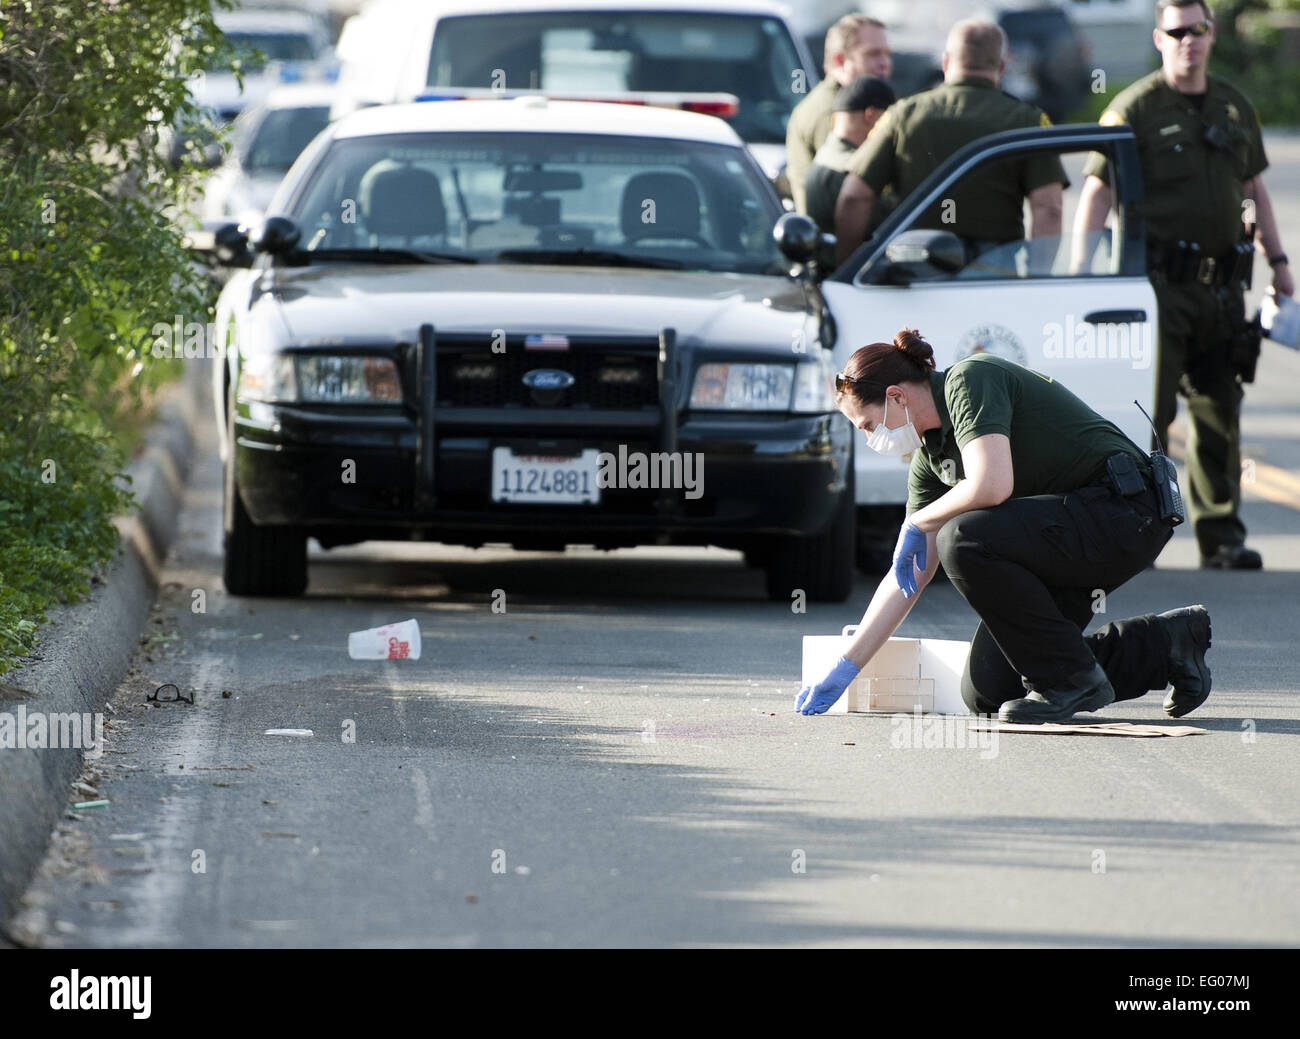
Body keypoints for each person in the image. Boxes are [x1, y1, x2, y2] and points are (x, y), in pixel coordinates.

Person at [795, 329, 1213, 724]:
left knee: (961, 539)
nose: (873, 438)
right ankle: (1165, 646)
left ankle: (1071, 681)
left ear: (896, 396)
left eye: (868, 425)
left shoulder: (970, 379)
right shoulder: (930, 461)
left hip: (1126, 512)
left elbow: (992, 484)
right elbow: (909, 578)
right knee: (989, 692)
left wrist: (920, 521)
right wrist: (847, 664)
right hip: (1068, 535)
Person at [1073, 0, 1292, 570]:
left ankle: (1222, 538)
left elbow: (1254, 186)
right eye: (1178, 31)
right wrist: (1079, 276)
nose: (1190, 40)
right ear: (1159, 38)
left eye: (1199, 29)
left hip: (1223, 287)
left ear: (1211, 34)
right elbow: (1097, 193)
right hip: (1157, 291)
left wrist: (1281, 261)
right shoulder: (1134, 108)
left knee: (1221, 409)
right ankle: (1139, 536)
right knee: (1153, 414)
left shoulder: (1234, 105)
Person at [834, 18, 1066, 263]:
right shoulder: (1027, 120)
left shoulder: (903, 115)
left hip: (913, 272)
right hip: (993, 274)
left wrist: (849, 267)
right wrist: (1037, 277)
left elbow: (854, 197)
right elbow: (1049, 208)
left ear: (946, 61)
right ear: (1002, 65)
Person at [786, 13, 892, 215]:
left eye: (887, 55)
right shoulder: (835, 113)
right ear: (840, 60)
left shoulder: (842, 104)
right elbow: (850, 192)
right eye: (873, 54)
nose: (885, 63)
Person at [804, 75, 896, 238]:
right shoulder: (850, 171)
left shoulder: (826, 156)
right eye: (889, 119)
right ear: (871, 116)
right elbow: (889, 224)